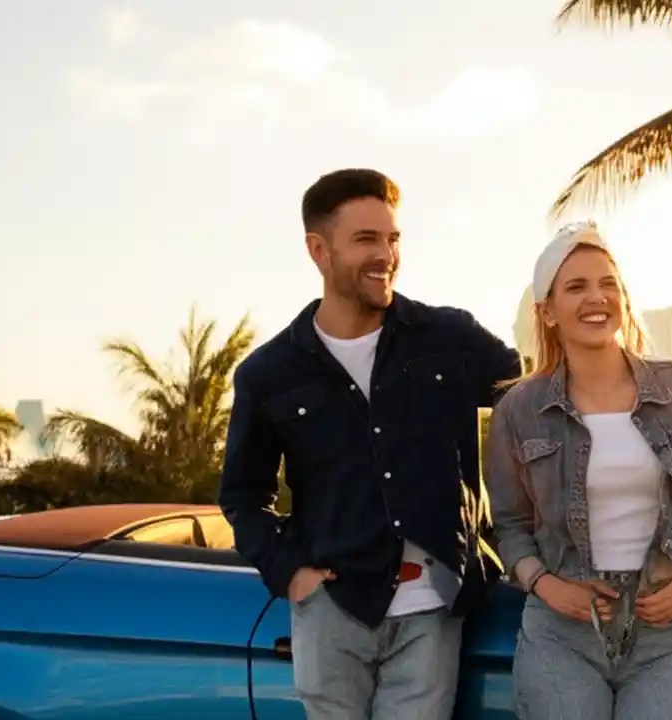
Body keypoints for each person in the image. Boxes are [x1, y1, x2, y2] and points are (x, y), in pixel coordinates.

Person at [218, 168, 521, 720]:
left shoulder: (449, 337)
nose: (385, 254)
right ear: (319, 250)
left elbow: (539, 401)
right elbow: (243, 495)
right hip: (332, 612)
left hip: (433, 607)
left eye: (393, 238)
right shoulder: (269, 374)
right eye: (366, 240)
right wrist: (290, 573)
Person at [484, 221, 672, 719]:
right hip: (562, 633)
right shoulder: (520, 408)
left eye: (608, 284)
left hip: (665, 636)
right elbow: (509, 526)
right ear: (548, 311)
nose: (596, 298)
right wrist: (545, 584)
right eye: (576, 287)